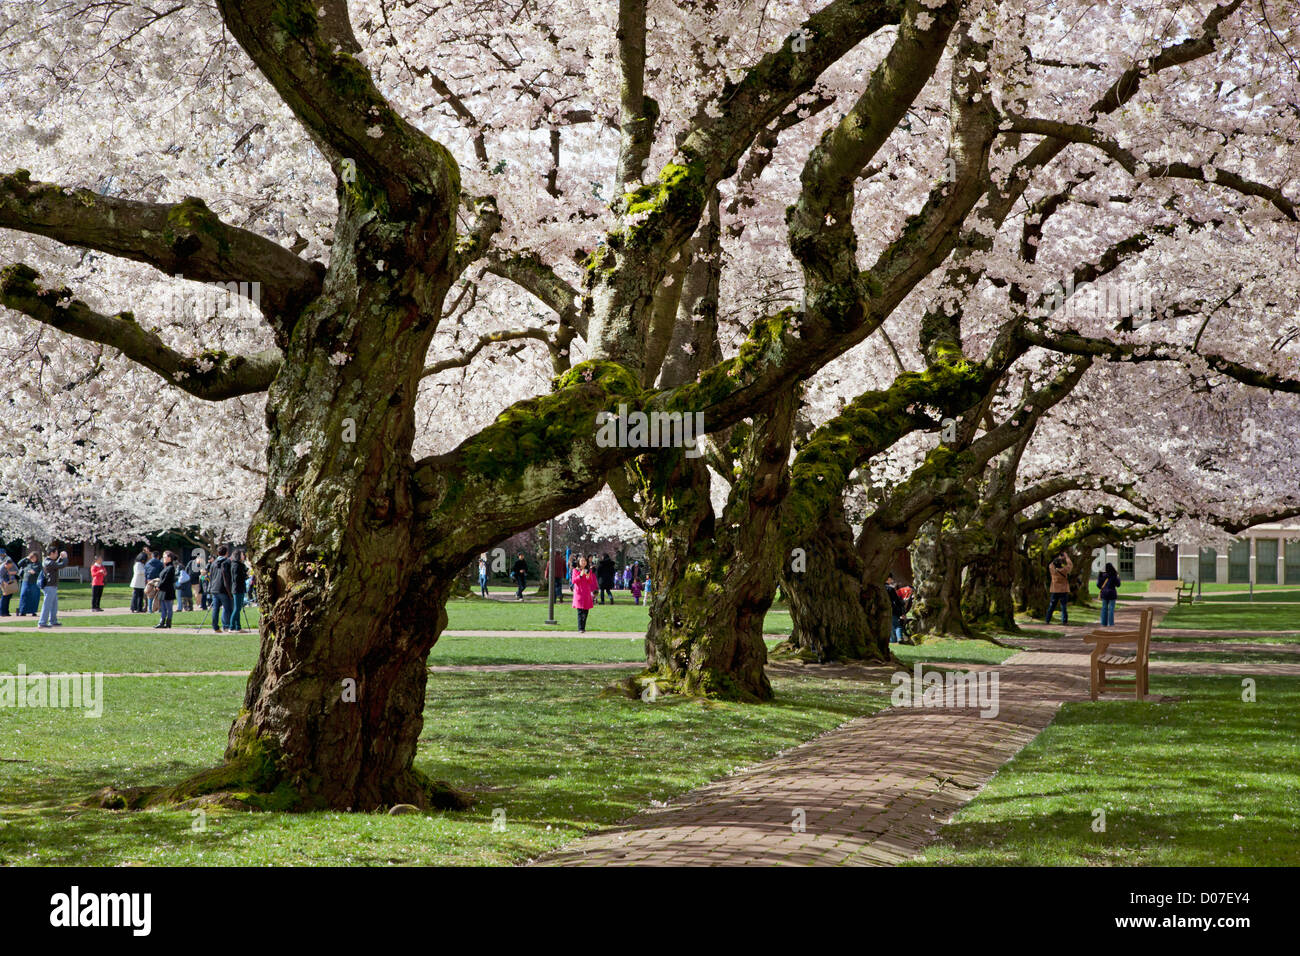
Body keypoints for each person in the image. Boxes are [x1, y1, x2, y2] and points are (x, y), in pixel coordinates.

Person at [37, 547, 68, 628]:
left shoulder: (49, 561)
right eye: (56, 553)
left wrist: (60, 558)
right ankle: (42, 622)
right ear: (51, 553)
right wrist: (65, 558)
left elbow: (55, 566)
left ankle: (53, 621)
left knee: (54, 605)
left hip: (52, 586)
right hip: (49, 586)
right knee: (47, 605)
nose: (57, 555)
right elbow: (61, 565)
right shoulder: (48, 562)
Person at [207, 545, 233, 633]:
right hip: (223, 588)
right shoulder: (227, 562)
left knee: (215, 608)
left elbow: (211, 575)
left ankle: (215, 627)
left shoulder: (213, 563)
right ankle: (226, 625)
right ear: (226, 553)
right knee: (226, 608)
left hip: (214, 588)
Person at [570, 555, 597, 632]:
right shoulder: (575, 570)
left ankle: (583, 628)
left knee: (586, 611)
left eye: (584, 561)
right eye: (582, 561)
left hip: (586, 593)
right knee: (580, 611)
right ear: (578, 562)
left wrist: (588, 577)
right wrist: (580, 575)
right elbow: (574, 581)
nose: (583, 562)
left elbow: (591, 582)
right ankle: (580, 628)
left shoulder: (588, 570)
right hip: (579, 593)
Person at [1045, 552, 1074, 625]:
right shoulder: (1065, 570)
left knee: (1052, 606)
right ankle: (1064, 621)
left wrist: (1058, 558)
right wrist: (1066, 557)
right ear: (1061, 564)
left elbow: (1050, 565)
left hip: (1055, 590)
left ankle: (1047, 620)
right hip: (1064, 590)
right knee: (1063, 606)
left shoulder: (1053, 571)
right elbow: (1070, 565)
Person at [154, 551, 177, 629]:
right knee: (163, 608)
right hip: (163, 590)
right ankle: (162, 622)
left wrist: (159, 586)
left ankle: (168, 622)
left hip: (168, 591)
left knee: (168, 608)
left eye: (165, 557)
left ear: (170, 558)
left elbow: (166, 579)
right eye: (163, 557)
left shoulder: (171, 568)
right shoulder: (166, 567)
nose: (163, 558)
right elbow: (162, 578)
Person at [228, 549, 249, 632]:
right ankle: (231, 626)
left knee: (238, 608)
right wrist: (244, 575)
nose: (243, 556)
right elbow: (236, 578)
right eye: (242, 555)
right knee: (237, 608)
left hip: (239, 588)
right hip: (237, 589)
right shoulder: (236, 565)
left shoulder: (239, 565)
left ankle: (238, 627)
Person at [16, 551, 42, 616]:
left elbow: (42, 574)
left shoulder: (39, 564)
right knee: (24, 595)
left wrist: (35, 573)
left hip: (34, 582)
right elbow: (19, 563)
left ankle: (33, 611)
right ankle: (22, 611)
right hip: (25, 581)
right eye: (31, 557)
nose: (32, 559)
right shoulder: (27, 563)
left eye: (34, 557)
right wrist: (26, 558)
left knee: (34, 596)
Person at [1096, 561, 1121, 627]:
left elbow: (1098, 584)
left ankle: (1103, 623)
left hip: (1104, 593)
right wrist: (1118, 578)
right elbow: (1118, 584)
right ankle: (1111, 623)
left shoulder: (1101, 575)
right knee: (1111, 609)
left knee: (1104, 608)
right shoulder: (1114, 575)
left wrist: (1102, 588)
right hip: (1112, 592)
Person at [886, 574, 906, 644]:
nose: (892, 580)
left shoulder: (880, 588)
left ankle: (892, 641)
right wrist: (901, 612)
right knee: (897, 625)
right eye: (891, 578)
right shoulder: (890, 589)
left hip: (883, 609)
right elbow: (896, 600)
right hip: (892, 609)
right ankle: (900, 638)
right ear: (888, 579)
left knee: (890, 626)